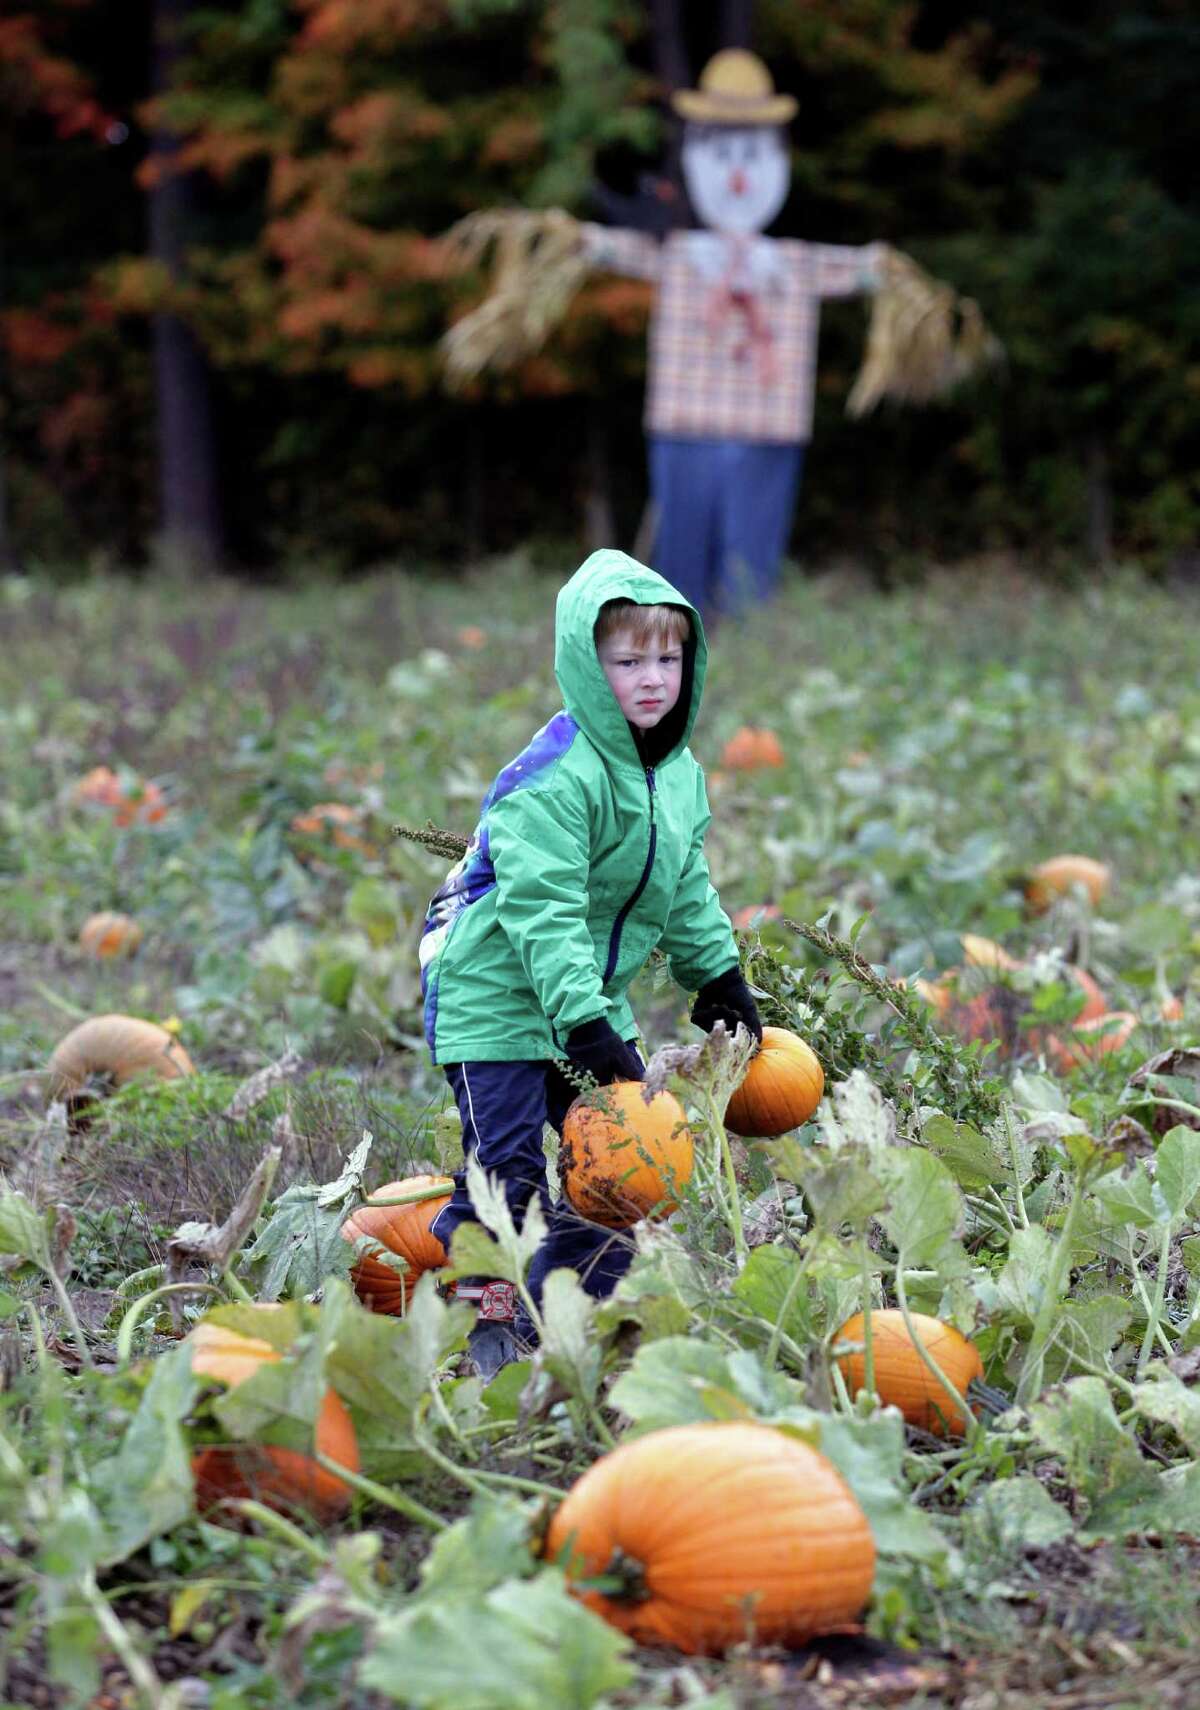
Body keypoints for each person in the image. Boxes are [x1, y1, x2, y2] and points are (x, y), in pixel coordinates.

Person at [417, 547, 761, 1377]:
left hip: (577, 1000)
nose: (652, 677)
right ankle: (489, 1313)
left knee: (622, 1164)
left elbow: (684, 888)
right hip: (494, 993)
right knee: (508, 1173)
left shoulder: (676, 778)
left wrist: (717, 974)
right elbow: (543, 912)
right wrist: (582, 1019)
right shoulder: (553, 777)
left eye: (668, 657)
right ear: (586, 662)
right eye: (627, 659)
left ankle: (581, 1309)